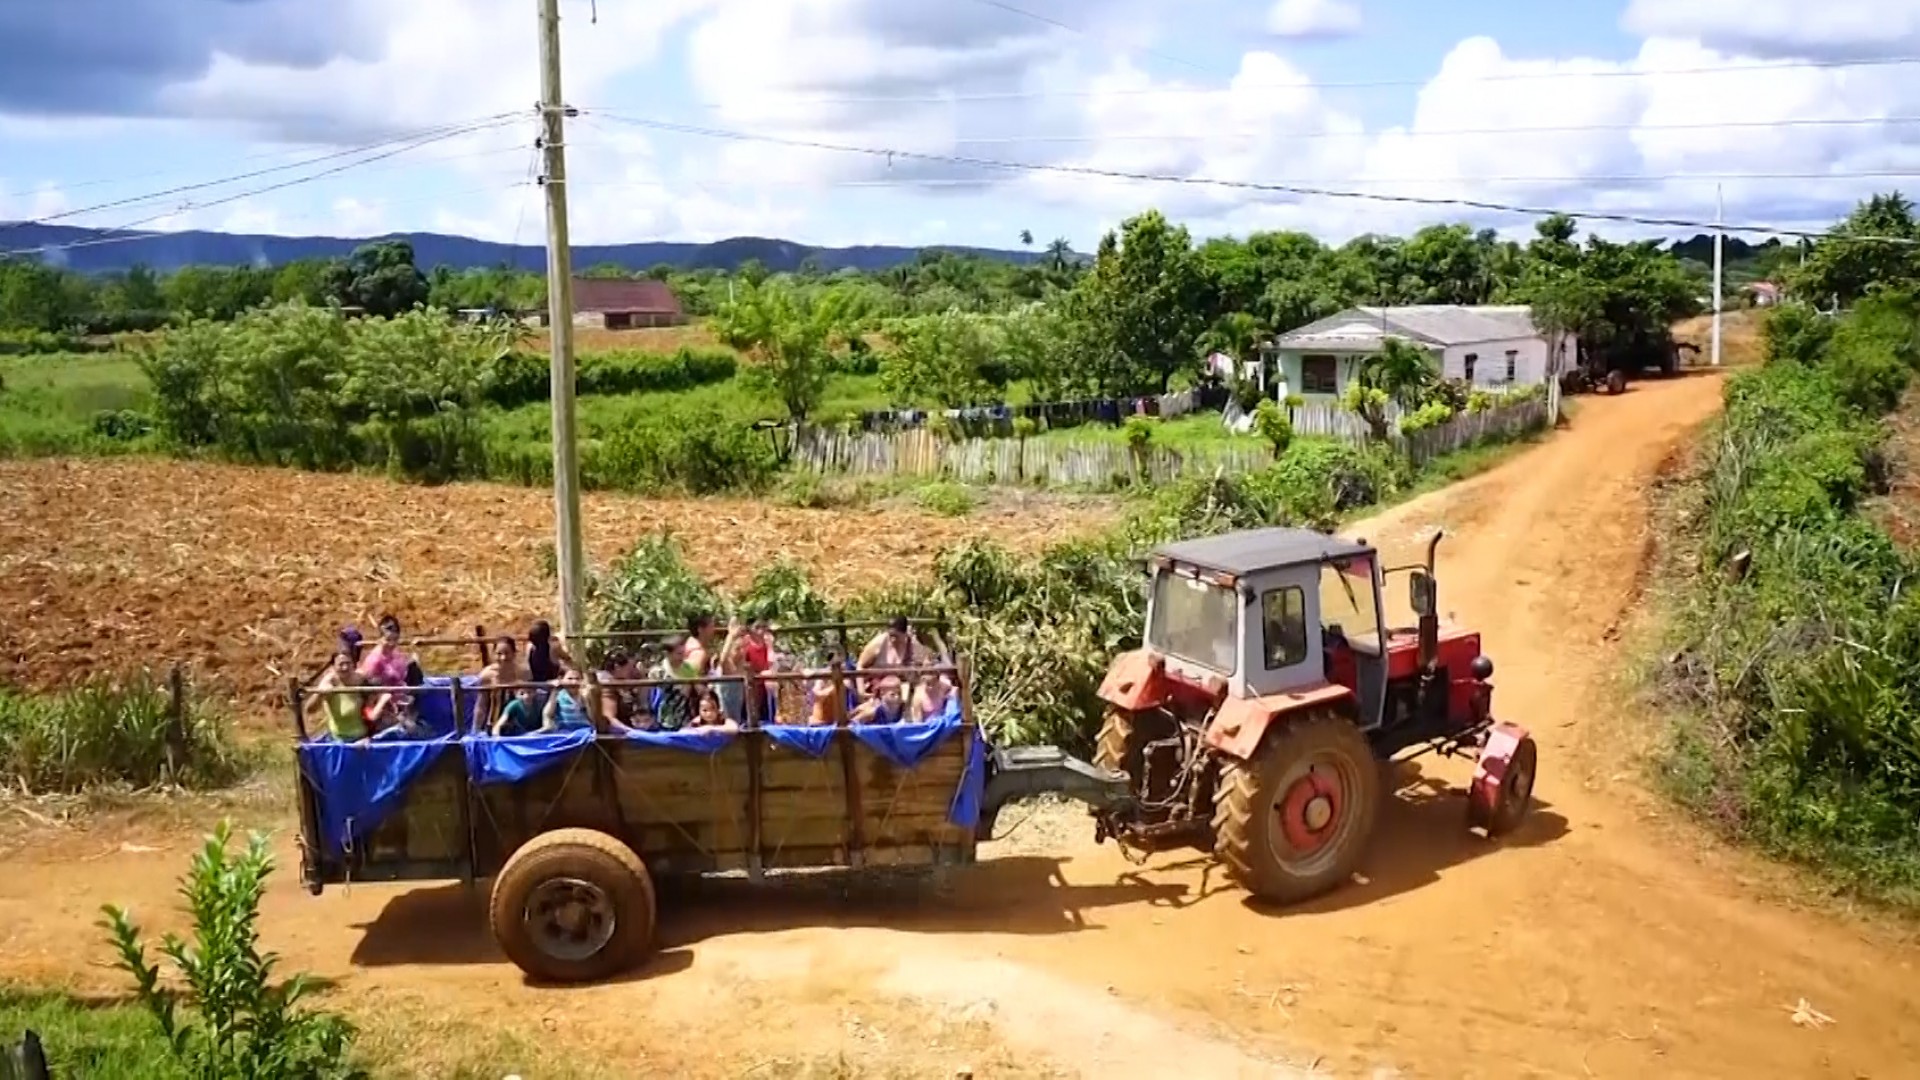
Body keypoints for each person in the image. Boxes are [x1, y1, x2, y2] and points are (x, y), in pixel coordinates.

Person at [358, 614, 420, 735]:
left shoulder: (395, 653)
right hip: (385, 710)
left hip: (402, 701)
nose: (391, 644)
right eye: (387, 640)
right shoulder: (374, 661)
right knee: (416, 732)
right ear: (379, 639)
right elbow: (369, 692)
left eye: (395, 640)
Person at [305, 649, 370, 743]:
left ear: (353, 664)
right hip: (340, 739)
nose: (345, 667)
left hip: (364, 738)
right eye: (341, 664)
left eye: (348, 663)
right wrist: (320, 693)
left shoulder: (361, 680)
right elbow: (310, 709)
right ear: (333, 667)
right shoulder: (330, 683)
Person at [541, 668, 596, 733]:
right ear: (562, 679)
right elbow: (547, 714)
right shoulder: (558, 694)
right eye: (570, 679)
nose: (574, 682)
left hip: (583, 731)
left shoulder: (583, 695)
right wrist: (554, 692)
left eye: (577, 679)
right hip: (563, 731)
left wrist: (587, 699)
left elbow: (592, 718)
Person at [526, 620, 576, 685]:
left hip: (536, 683)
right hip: (552, 683)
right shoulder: (554, 646)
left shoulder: (529, 646)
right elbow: (567, 658)